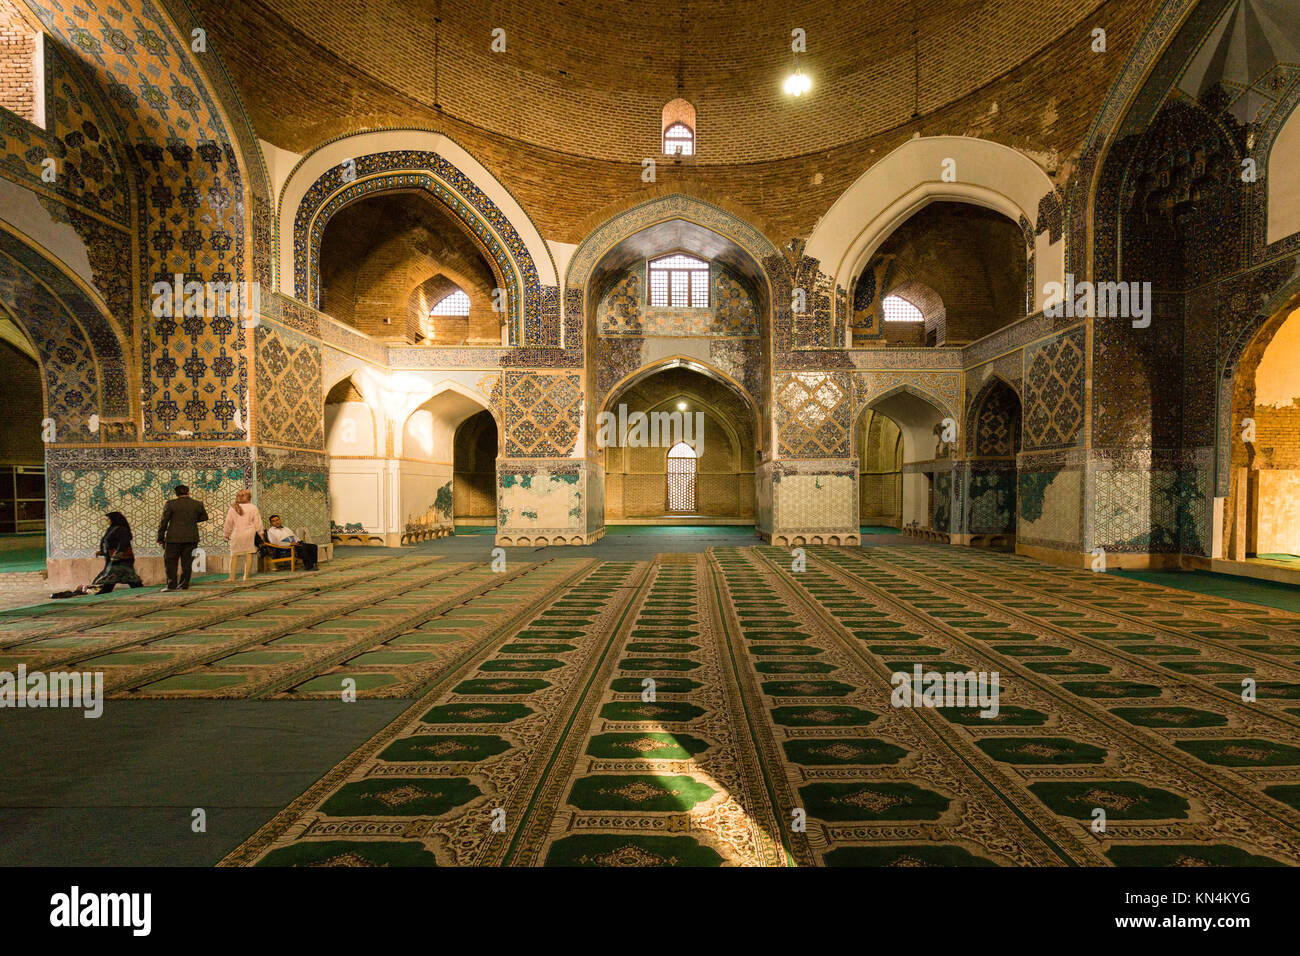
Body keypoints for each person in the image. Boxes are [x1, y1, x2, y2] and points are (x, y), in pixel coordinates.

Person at [51, 512, 144, 598]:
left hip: (120, 559)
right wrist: (103, 552)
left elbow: (123, 543)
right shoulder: (113, 529)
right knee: (126, 578)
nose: (107, 521)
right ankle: (140, 589)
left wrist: (118, 554)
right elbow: (109, 543)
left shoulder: (121, 530)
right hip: (115, 559)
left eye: (108, 519)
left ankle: (91, 590)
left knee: (109, 578)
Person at [157, 484, 209, 591]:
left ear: (176, 494)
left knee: (170, 562)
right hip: (191, 537)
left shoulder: (171, 504)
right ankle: (184, 585)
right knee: (187, 562)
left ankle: (171, 585)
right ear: (188, 492)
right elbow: (204, 517)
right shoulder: (197, 504)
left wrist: (160, 537)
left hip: (173, 538)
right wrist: (192, 520)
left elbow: (164, 522)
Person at [223, 489, 263, 582]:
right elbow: (257, 522)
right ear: (249, 497)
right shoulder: (253, 507)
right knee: (248, 554)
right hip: (249, 533)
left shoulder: (233, 507)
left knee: (234, 555)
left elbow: (228, 523)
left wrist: (226, 534)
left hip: (237, 533)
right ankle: (246, 576)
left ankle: (232, 577)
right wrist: (260, 533)